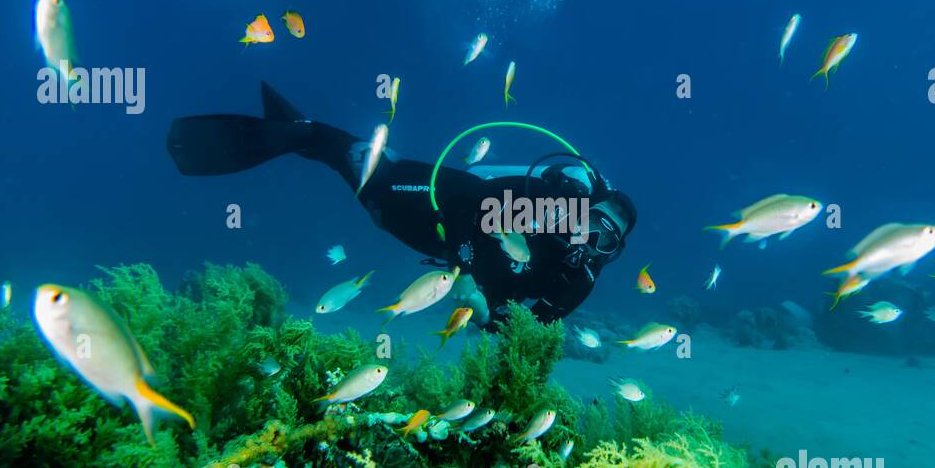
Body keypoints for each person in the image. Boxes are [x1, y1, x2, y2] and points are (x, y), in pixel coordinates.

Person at [166, 82, 636, 327]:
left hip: (437, 247)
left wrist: (484, 311)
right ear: (585, 209)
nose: (591, 238)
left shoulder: (578, 281)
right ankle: (305, 133)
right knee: (378, 182)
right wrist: (468, 266)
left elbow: (528, 330)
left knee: (375, 207)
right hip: (450, 199)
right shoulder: (551, 207)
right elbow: (479, 207)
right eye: (595, 223)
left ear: (613, 252)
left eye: (607, 240)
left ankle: (306, 136)